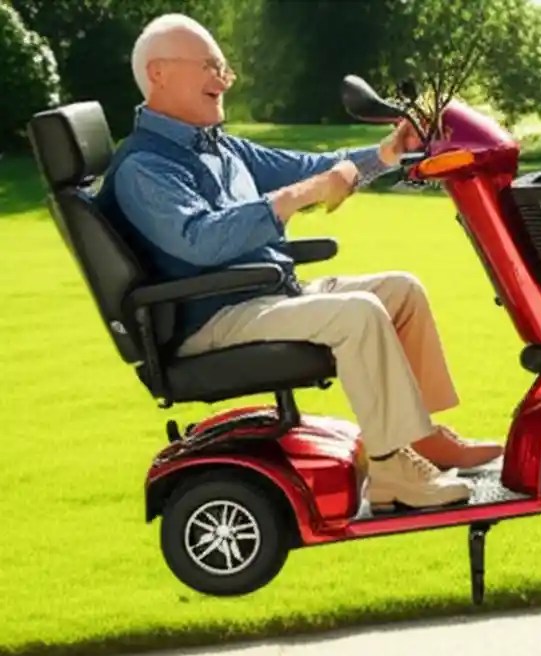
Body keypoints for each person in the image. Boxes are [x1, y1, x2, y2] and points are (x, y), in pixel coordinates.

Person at [94, 13, 502, 509]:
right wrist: (294, 198)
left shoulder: (219, 147)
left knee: (401, 292)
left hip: (262, 295)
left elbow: (312, 169)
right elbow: (199, 240)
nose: (222, 79)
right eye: (210, 66)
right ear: (158, 73)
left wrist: (388, 153)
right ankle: (394, 470)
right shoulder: (145, 166)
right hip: (210, 315)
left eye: (223, 67)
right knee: (359, 314)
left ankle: (421, 439)